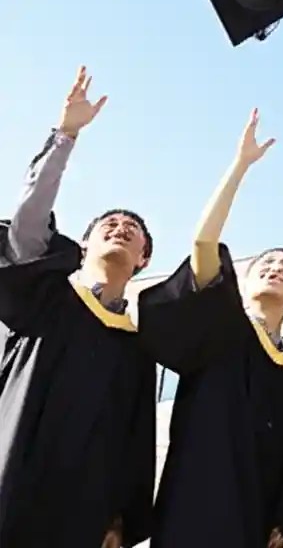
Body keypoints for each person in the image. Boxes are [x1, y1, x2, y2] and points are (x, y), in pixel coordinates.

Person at [137, 109, 283, 548]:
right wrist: (240, 166)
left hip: (252, 522)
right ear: (244, 282)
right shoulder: (222, 329)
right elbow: (203, 244)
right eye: (266, 263)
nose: (275, 267)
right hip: (193, 508)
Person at [0, 67, 155, 548]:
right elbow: (26, 228)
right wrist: (65, 135)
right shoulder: (46, 296)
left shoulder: (138, 344)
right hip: (10, 480)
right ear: (82, 244)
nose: (121, 227)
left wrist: (118, 519)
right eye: (109, 222)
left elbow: (135, 441)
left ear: (144, 258)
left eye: (133, 228)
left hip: (80, 516)